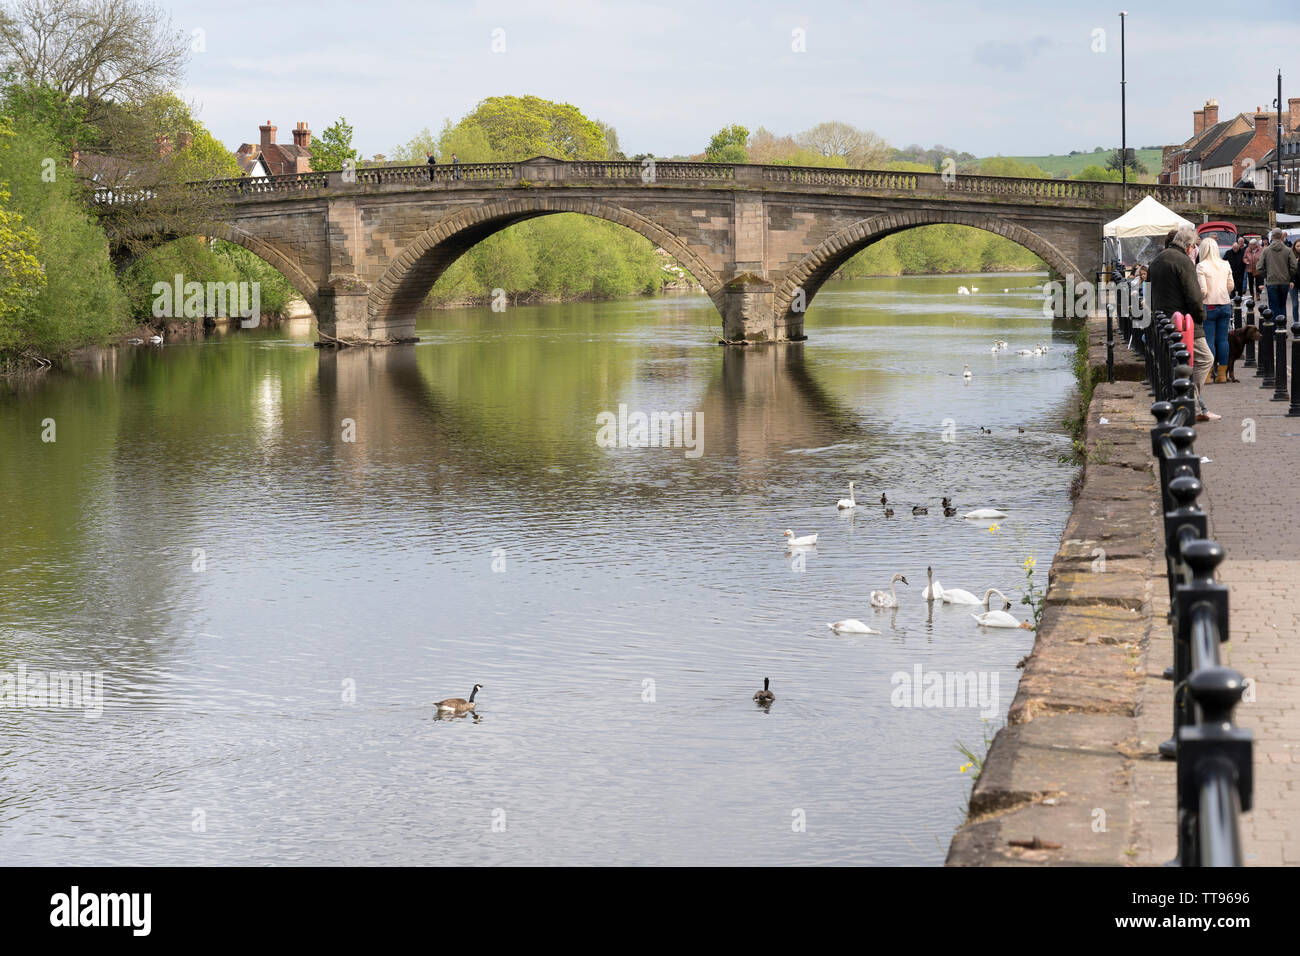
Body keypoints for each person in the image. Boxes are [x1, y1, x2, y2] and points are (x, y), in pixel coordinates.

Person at [1148, 225, 1219, 421]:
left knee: (1172, 363)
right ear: (1188, 246)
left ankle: (1187, 403)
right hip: (1184, 322)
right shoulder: (1184, 262)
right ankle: (1190, 403)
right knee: (1205, 359)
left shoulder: (1157, 260)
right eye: (1194, 246)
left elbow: (1149, 294)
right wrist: (1200, 316)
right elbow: (1193, 296)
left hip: (1163, 321)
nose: (1194, 249)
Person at [1196, 237, 1234, 383]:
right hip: (1224, 304)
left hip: (1208, 305)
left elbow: (1203, 291)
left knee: (1209, 341)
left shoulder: (1201, 266)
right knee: (1223, 340)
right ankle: (1222, 375)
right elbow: (1231, 286)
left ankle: (1207, 374)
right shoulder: (1225, 264)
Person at [1260, 228, 1296, 323]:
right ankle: (1282, 328)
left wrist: (1266, 275)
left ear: (1272, 237)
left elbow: (1259, 267)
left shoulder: (1266, 251)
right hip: (1284, 281)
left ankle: (1275, 330)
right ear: (1281, 237)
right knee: (1282, 305)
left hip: (1271, 281)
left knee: (1273, 306)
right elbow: (1294, 266)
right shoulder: (1288, 250)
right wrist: (1288, 275)